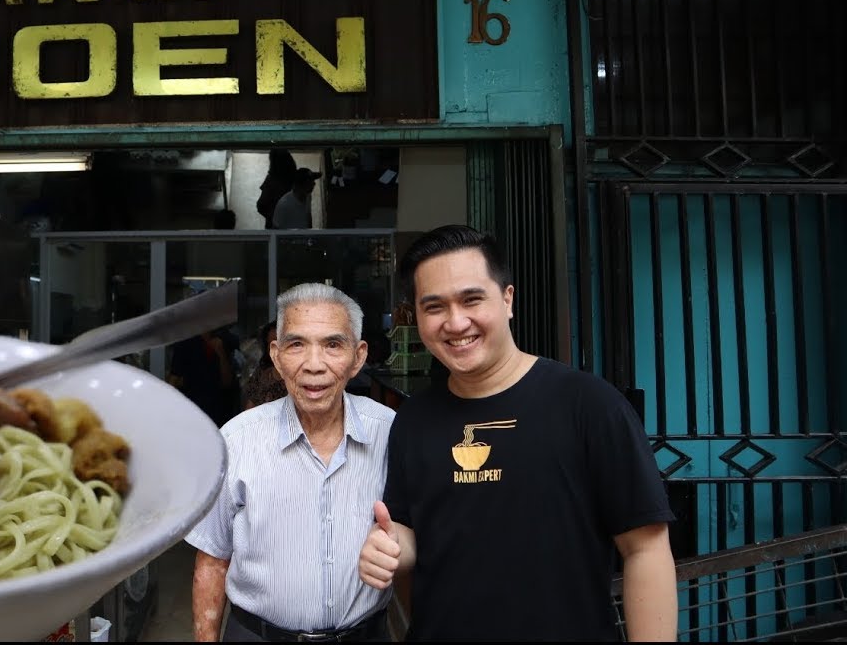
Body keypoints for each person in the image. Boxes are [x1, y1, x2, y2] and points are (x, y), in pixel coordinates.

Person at [357, 224, 678, 642]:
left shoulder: (588, 405)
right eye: (434, 307)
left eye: (472, 299)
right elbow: (411, 532)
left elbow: (646, 549)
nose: (456, 322)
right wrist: (389, 549)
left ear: (508, 299)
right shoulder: (414, 418)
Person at [187, 283, 396, 642]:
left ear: (358, 357)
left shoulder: (391, 432)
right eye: (297, 344)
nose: (314, 365)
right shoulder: (236, 440)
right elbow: (212, 560)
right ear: (277, 355)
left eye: (333, 345)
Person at [169, 329, 236, 428]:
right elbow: (173, 381)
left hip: (219, 413)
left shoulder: (224, 341)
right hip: (192, 411)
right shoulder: (185, 344)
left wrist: (221, 353)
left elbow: (227, 382)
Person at [241, 320, 284, 409]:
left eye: (279, 342)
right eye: (270, 343)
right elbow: (250, 407)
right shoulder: (261, 373)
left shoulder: (300, 374)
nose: (276, 347)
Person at [255, 150, 297, 229]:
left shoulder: (271, 180)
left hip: (275, 228)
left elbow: (261, 205)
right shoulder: (295, 180)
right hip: (293, 227)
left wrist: (275, 218)